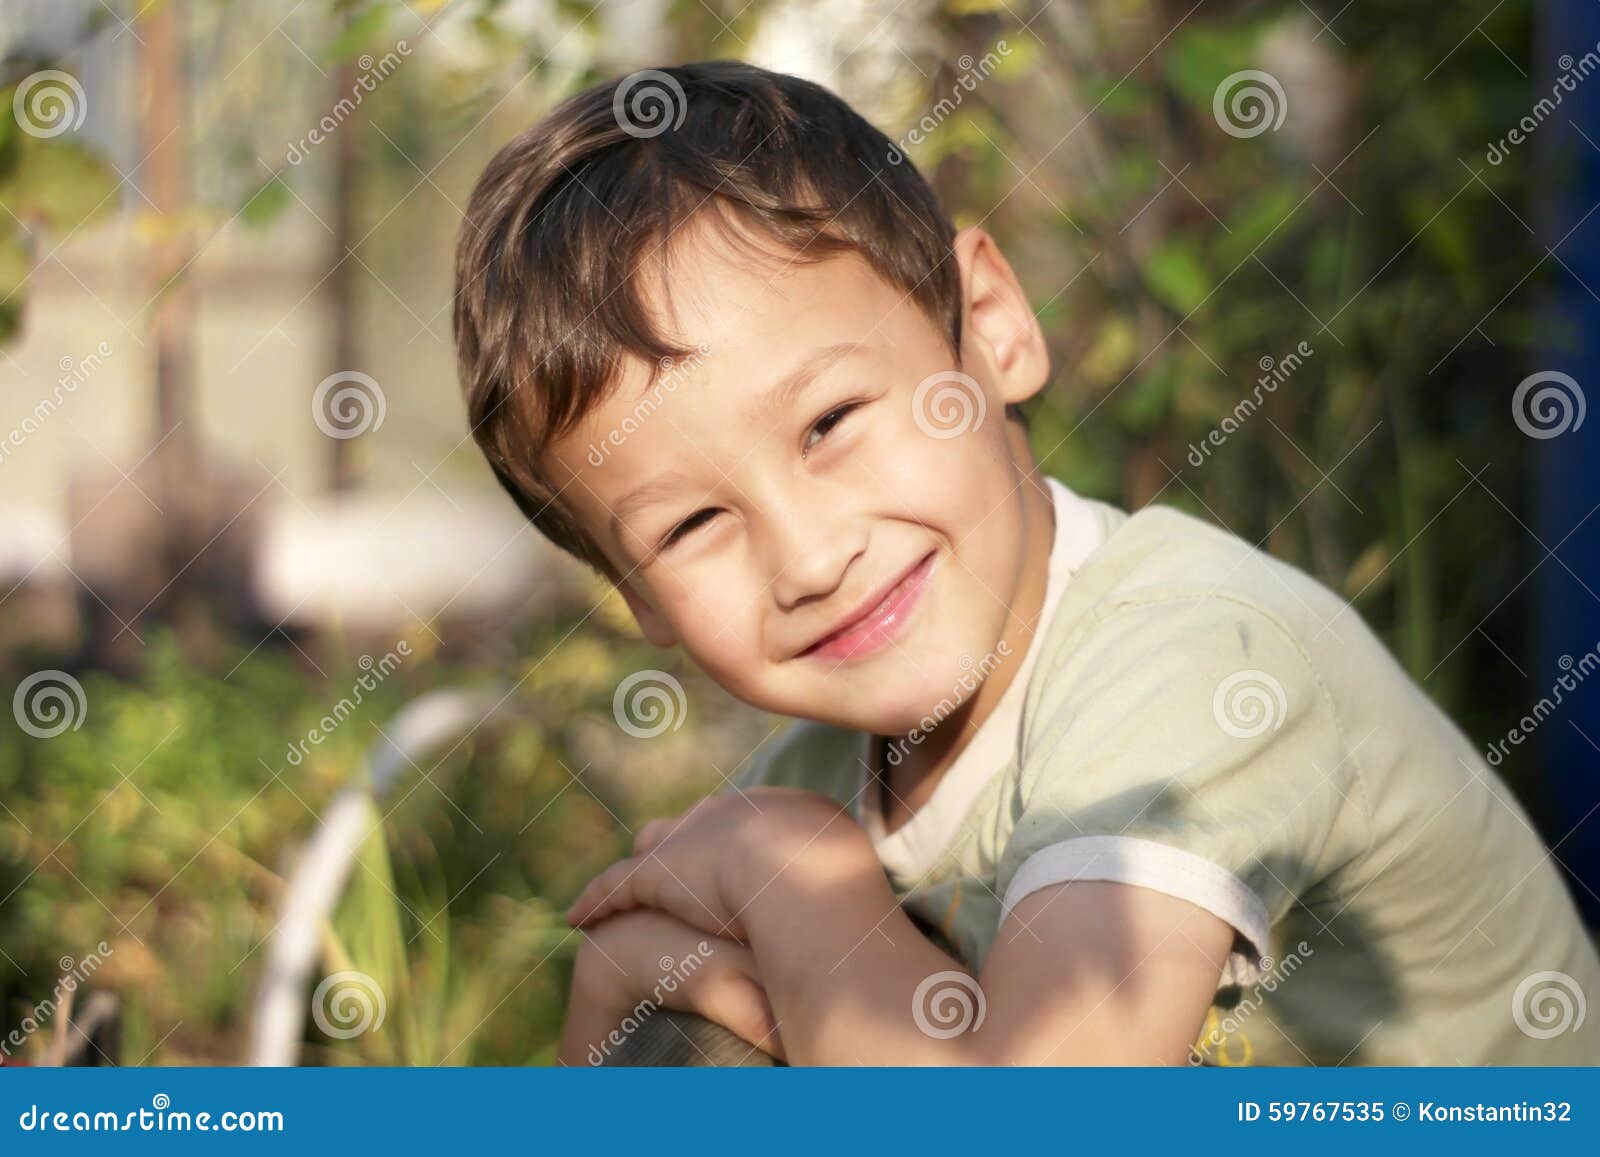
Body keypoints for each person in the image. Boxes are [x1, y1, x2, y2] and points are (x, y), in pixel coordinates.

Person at [451, 61, 1600, 1065]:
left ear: (991, 326)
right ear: (636, 594)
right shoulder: (805, 781)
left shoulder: (1194, 656)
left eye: (831, 420)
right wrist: (645, 962)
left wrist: (791, 874)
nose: (807, 555)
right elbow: (631, 1011)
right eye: (690, 526)